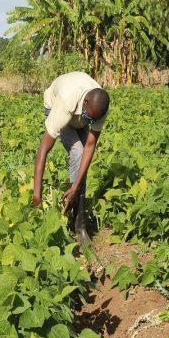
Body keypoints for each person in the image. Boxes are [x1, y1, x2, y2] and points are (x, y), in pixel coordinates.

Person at [32, 71, 110, 245]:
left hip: (79, 110)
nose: (90, 121)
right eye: (88, 117)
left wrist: (75, 187)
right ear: (86, 103)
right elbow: (44, 149)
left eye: (92, 120)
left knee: (83, 158)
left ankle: (78, 219)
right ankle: (79, 225)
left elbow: (91, 146)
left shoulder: (98, 108)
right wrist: (36, 194)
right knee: (77, 152)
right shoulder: (65, 103)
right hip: (55, 105)